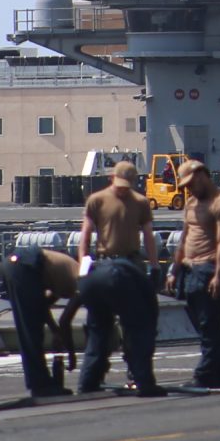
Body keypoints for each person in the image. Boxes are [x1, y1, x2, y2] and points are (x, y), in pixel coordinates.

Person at [75, 162, 162, 396]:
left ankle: (135, 376)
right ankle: (91, 380)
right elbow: (85, 235)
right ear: (111, 178)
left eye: (127, 186)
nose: (122, 190)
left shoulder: (140, 203)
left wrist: (154, 266)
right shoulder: (97, 200)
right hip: (106, 263)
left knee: (134, 326)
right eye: (119, 185)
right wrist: (83, 266)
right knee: (99, 326)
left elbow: (148, 236)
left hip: (131, 264)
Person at [166, 159, 220, 389]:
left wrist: (219, 275)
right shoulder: (191, 203)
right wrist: (174, 270)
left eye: (190, 183)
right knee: (206, 326)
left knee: (210, 325)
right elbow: (184, 239)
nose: (188, 189)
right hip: (190, 270)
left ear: (201, 175)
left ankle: (204, 374)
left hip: (208, 268)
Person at [3, 243, 80, 397]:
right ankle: (40, 385)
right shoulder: (80, 284)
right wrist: (71, 353)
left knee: (30, 328)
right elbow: (65, 321)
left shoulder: (67, 276)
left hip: (13, 264)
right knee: (31, 331)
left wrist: (55, 331)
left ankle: (41, 382)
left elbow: (42, 307)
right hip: (28, 265)